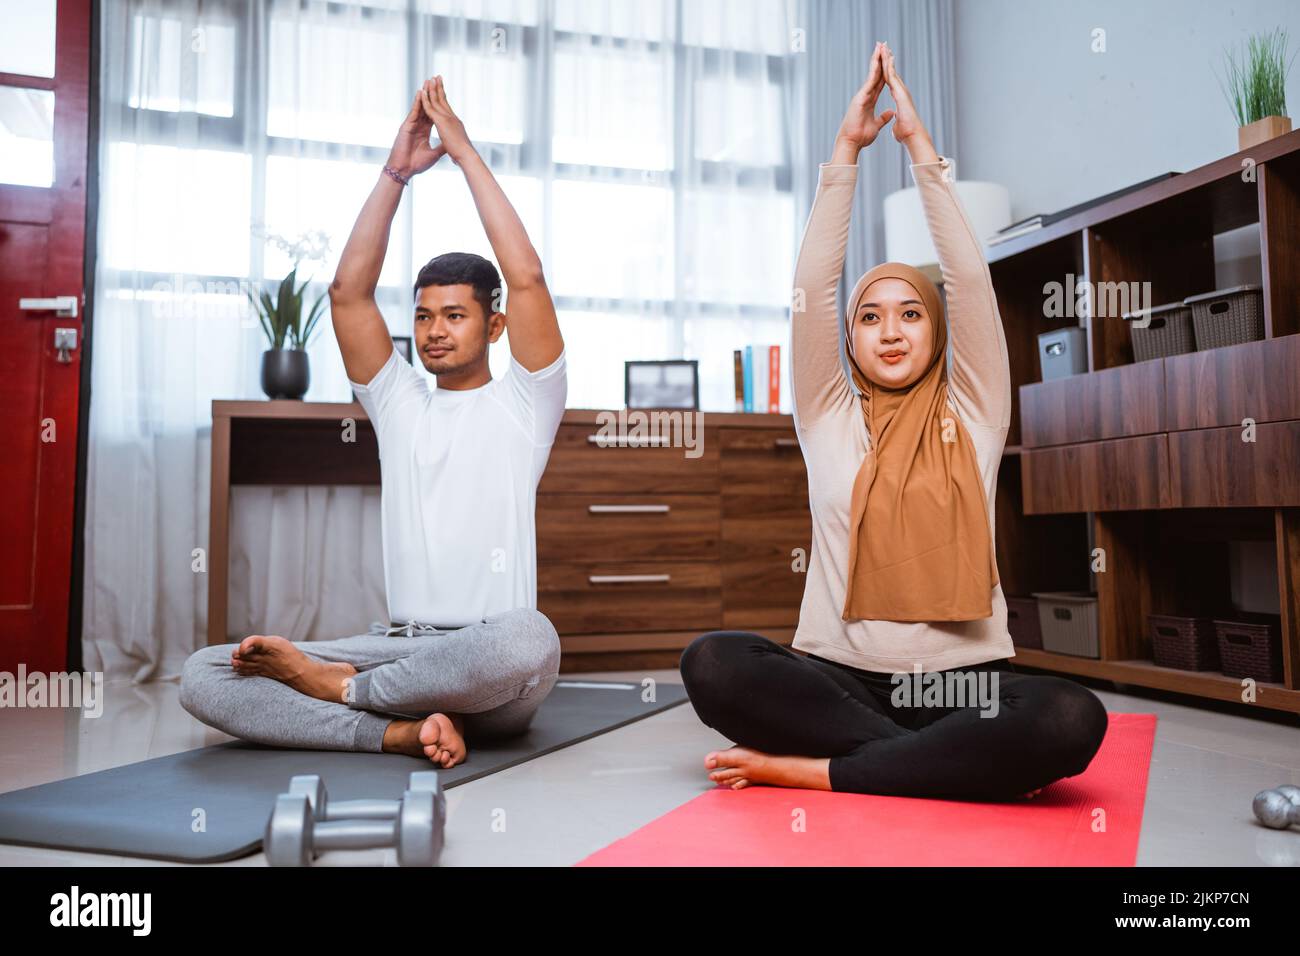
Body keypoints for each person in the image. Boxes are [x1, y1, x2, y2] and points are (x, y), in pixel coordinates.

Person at [679, 42, 1108, 801]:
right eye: (870, 317)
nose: (890, 330)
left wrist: (919, 149)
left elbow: (971, 284)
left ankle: (827, 771)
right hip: (837, 681)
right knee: (712, 662)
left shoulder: (973, 412)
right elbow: (813, 284)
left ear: (936, 331)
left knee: (1070, 716)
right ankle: (945, 766)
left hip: (951, 688)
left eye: (911, 313)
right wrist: (845, 150)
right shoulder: (828, 415)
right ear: (848, 339)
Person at [180, 76, 567, 769]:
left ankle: (347, 692)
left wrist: (462, 151)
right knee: (207, 671)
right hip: (397, 647)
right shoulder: (399, 401)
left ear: (495, 323)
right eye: (423, 315)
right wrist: (398, 170)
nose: (434, 331)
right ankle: (391, 728)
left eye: (455, 315)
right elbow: (347, 293)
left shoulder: (525, 403)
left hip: (486, 662)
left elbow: (528, 274)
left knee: (530, 638)